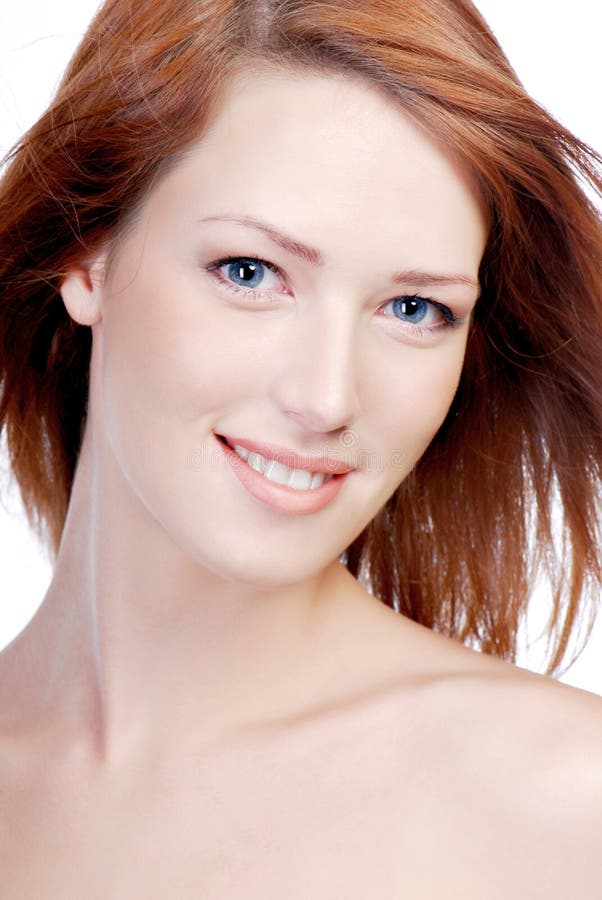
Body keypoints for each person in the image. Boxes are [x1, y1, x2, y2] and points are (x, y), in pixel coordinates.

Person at [0, 0, 601, 895]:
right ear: (88, 257)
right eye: (251, 273)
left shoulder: (562, 802)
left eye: (414, 310)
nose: (325, 400)